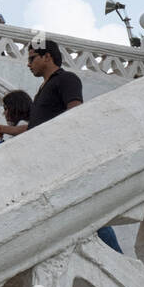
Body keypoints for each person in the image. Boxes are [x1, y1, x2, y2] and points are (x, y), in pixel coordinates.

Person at [24, 39, 123, 253]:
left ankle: (119, 259)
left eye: (32, 58)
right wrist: (5, 131)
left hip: (62, 160)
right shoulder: (42, 89)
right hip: (44, 164)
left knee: (88, 215)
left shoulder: (66, 79)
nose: (28, 64)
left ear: (47, 56)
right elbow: (35, 127)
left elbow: (76, 113)